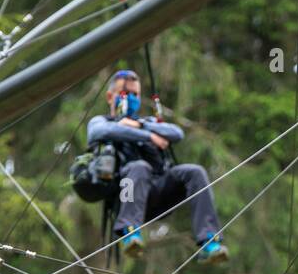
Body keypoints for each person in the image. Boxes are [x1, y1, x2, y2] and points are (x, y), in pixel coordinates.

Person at [86, 68, 230, 261]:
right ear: (110, 96)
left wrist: (141, 126)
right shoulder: (101, 121)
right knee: (139, 167)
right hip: (126, 193)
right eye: (124, 93)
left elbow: (176, 133)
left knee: (195, 172)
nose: (130, 98)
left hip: (159, 194)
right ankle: (130, 233)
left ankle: (209, 241)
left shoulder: (148, 122)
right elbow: (99, 132)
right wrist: (149, 136)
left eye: (135, 94)